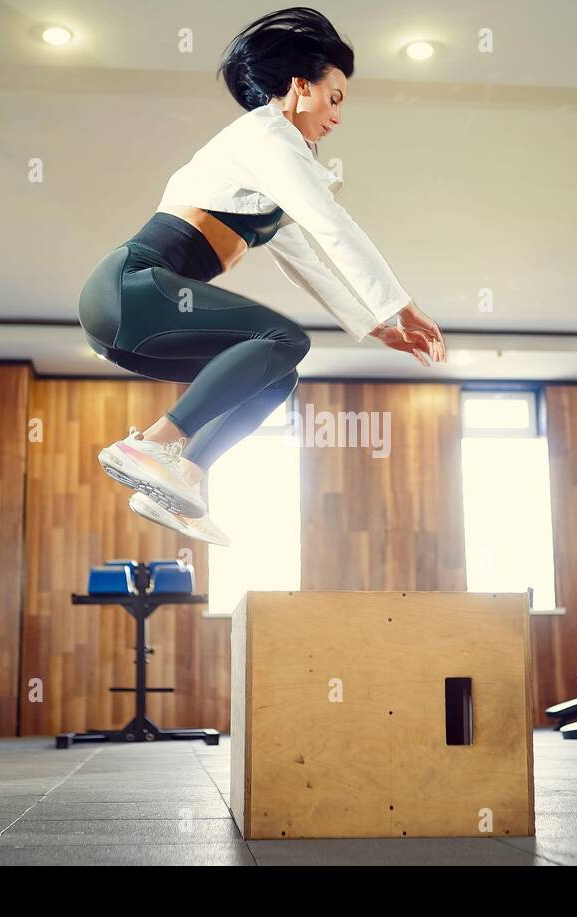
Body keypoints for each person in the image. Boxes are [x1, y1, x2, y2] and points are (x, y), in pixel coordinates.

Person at [77, 6, 447, 546]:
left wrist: (374, 324)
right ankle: (148, 446)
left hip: (135, 324)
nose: (338, 116)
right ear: (301, 86)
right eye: (334, 97)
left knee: (277, 370)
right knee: (284, 338)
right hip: (129, 289)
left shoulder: (272, 169)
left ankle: (184, 476)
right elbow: (332, 225)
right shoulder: (267, 137)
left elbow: (308, 260)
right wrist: (401, 304)